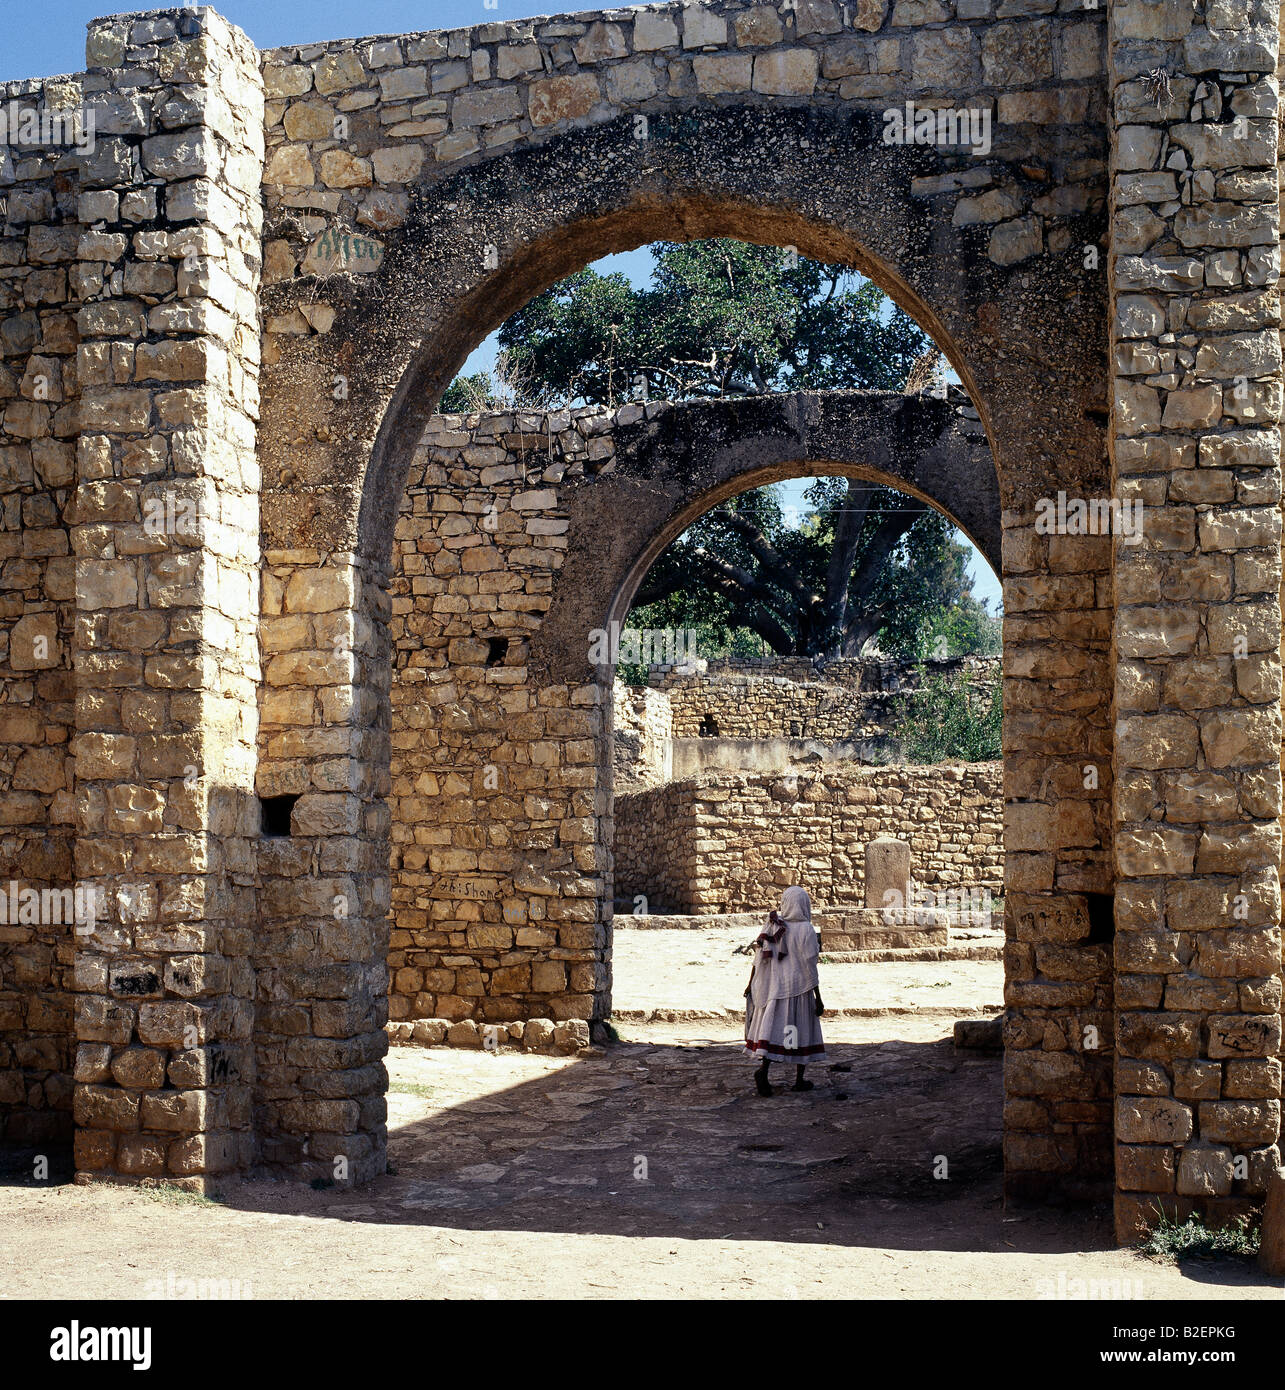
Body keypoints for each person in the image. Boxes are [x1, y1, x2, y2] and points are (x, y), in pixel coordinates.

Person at [743, 885, 826, 1096]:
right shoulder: (806, 929)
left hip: (776, 990)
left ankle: (764, 1071)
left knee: (772, 1032)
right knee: (801, 1033)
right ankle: (799, 1079)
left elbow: (758, 959)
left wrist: (750, 984)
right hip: (800, 990)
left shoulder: (773, 926)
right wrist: (818, 997)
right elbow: (810, 965)